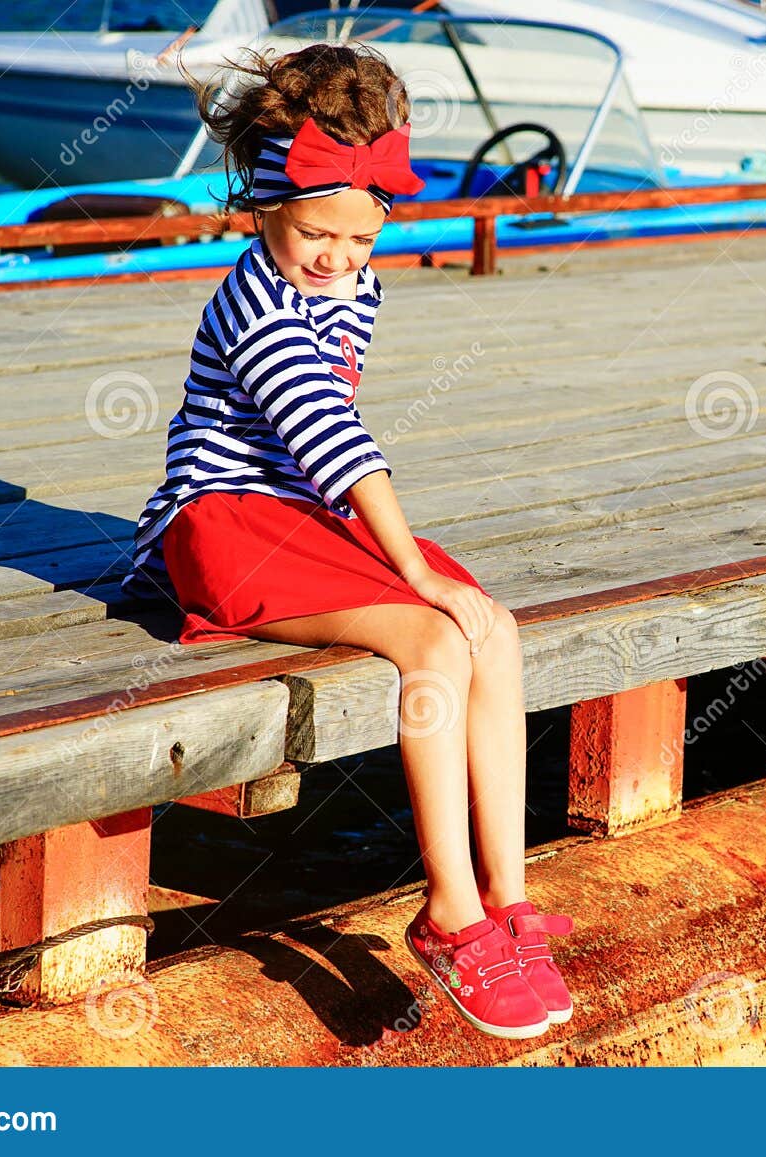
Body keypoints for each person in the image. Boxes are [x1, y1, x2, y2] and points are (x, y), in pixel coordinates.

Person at [122, 43, 572, 1040]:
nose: (333, 257)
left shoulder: (350, 285)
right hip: (222, 528)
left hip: (299, 514)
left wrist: (430, 573)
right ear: (267, 208)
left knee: (492, 625)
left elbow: (332, 453)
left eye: (357, 241)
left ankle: (508, 894)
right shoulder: (257, 302)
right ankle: (448, 910)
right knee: (434, 638)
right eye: (314, 233)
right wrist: (412, 571)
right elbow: (331, 435)